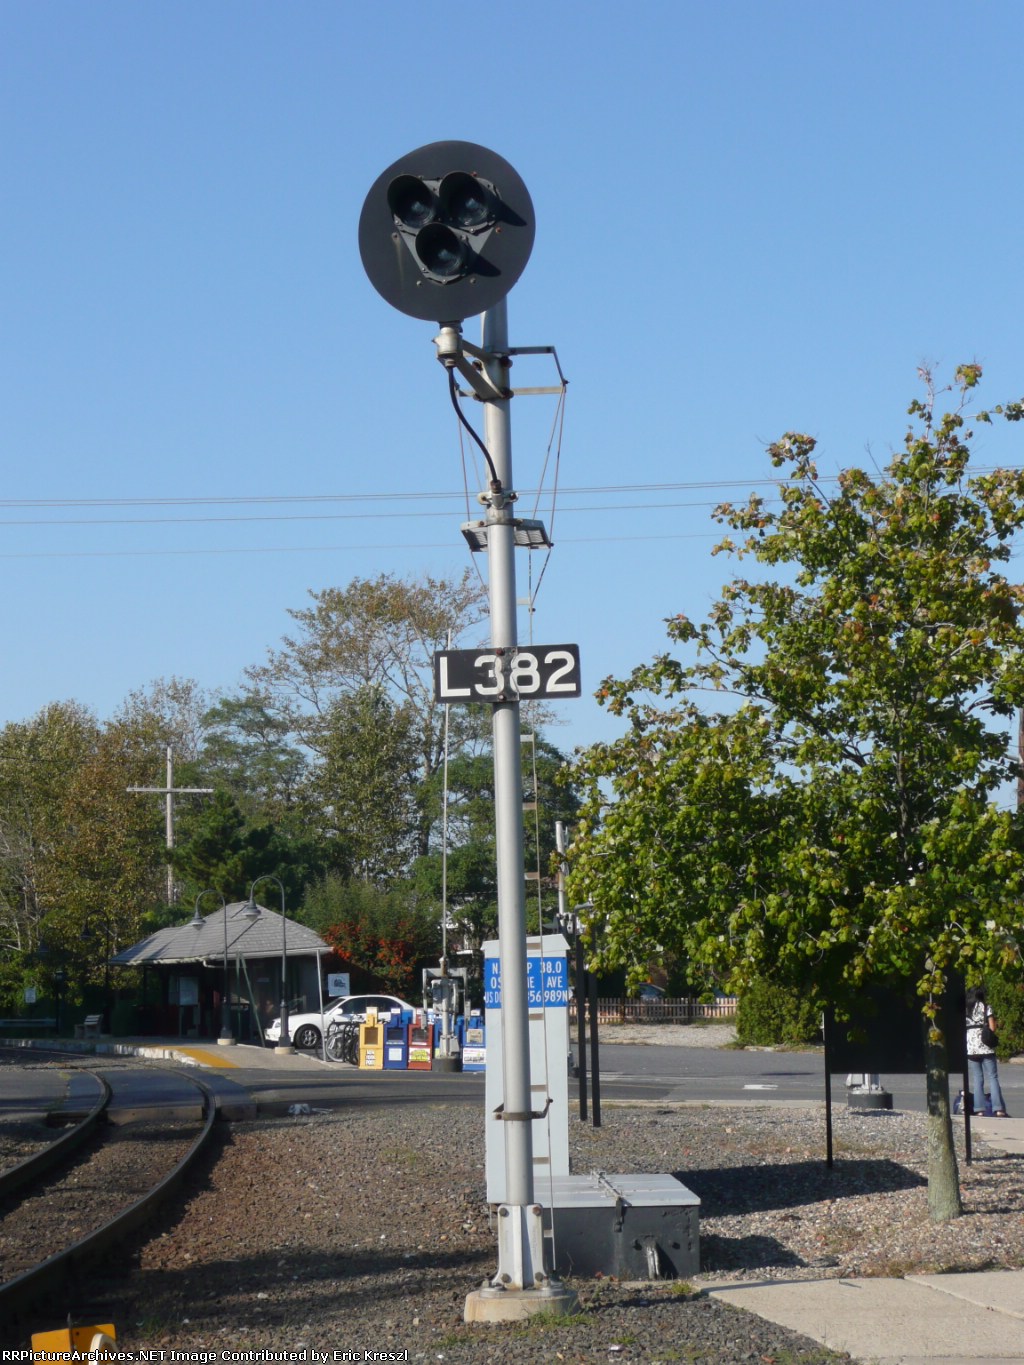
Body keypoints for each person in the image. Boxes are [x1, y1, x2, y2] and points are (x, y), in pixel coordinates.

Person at [965, 985, 1008, 1117]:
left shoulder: (966, 1008)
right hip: (986, 1047)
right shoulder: (986, 1007)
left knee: (977, 1079)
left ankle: (979, 1109)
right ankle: (998, 1108)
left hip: (971, 1048)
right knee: (993, 1077)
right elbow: (992, 1027)